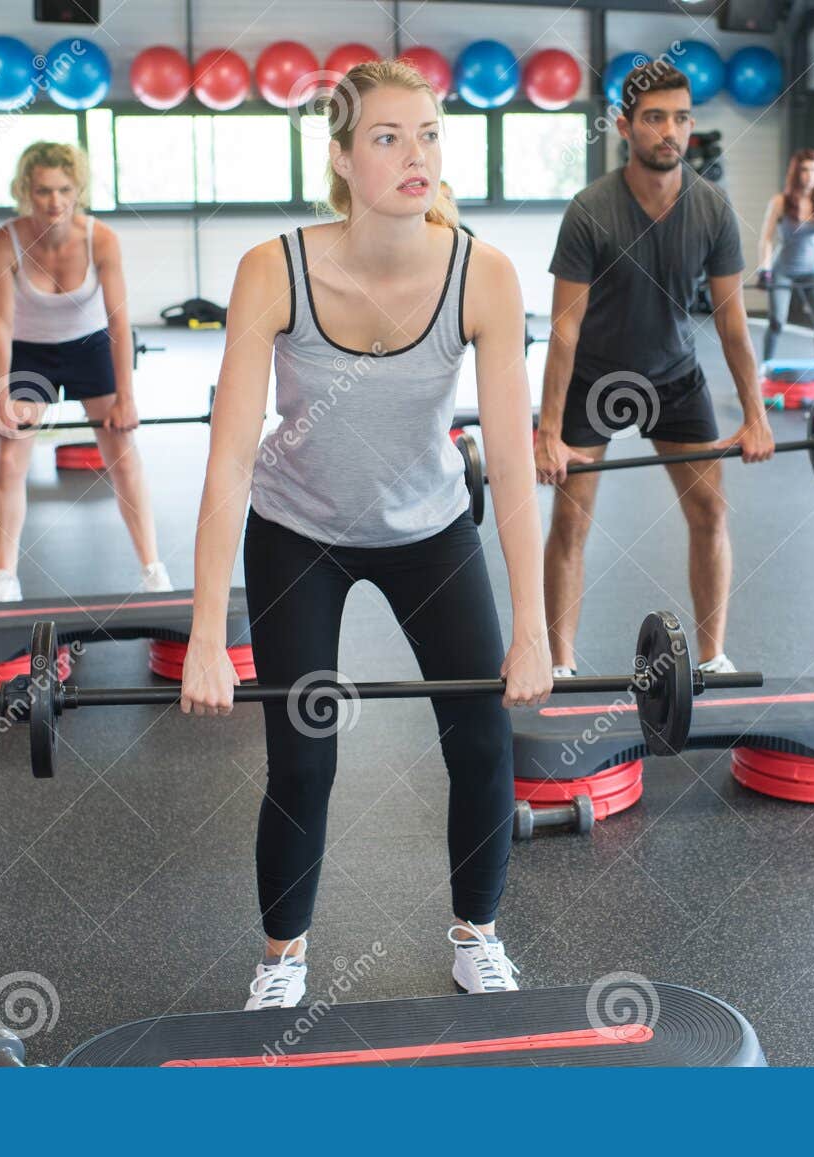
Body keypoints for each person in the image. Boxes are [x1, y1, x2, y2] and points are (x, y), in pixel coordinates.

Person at [180, 60, 550, 1010]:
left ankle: (478, 934)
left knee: (481, 739)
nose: (414, 155)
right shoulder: (276, 268)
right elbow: (226, 461)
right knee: (305, 752)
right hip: (299, 528)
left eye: (427, 133)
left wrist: (535, 629)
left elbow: (510, 463)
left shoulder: (485, 274)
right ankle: (282, 956)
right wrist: (200, 639)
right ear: (342, 159)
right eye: (386, 138)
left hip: (429, 525)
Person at [536, 60, 774, 679]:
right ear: (624, 125)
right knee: (570, 522)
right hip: (597, 379)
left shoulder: (713, 209)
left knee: (711, 514)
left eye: (680, 117)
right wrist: (549, 433)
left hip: (675, 377)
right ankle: (560, 665)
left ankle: (713, 657)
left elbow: (731, 324)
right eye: (654, 118)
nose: (669, 131)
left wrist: (756, 416)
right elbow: (563, 330)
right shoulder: (589, 211)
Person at [0, 141, 170, 602]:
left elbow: (120, 320)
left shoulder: (101, 239)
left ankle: (152, 569)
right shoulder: (6, 240)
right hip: (32, 352)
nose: (54, 201)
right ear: (26, 189)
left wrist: (127, 396)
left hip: (89, 348)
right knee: (9, 458)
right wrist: (0, 394)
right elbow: (2, 324)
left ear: (78, 189)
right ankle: (3, 578)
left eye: (64, 189)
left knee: (122, 452)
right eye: (43, 190)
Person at [756, 148, 814, 360]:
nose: (809, 176)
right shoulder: (780, 202)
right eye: (804, 170)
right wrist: (764, 269)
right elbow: (766, 238)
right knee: (777, 322)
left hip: (811, 271)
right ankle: (764, 371)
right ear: (796, 172)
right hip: (782, 270)